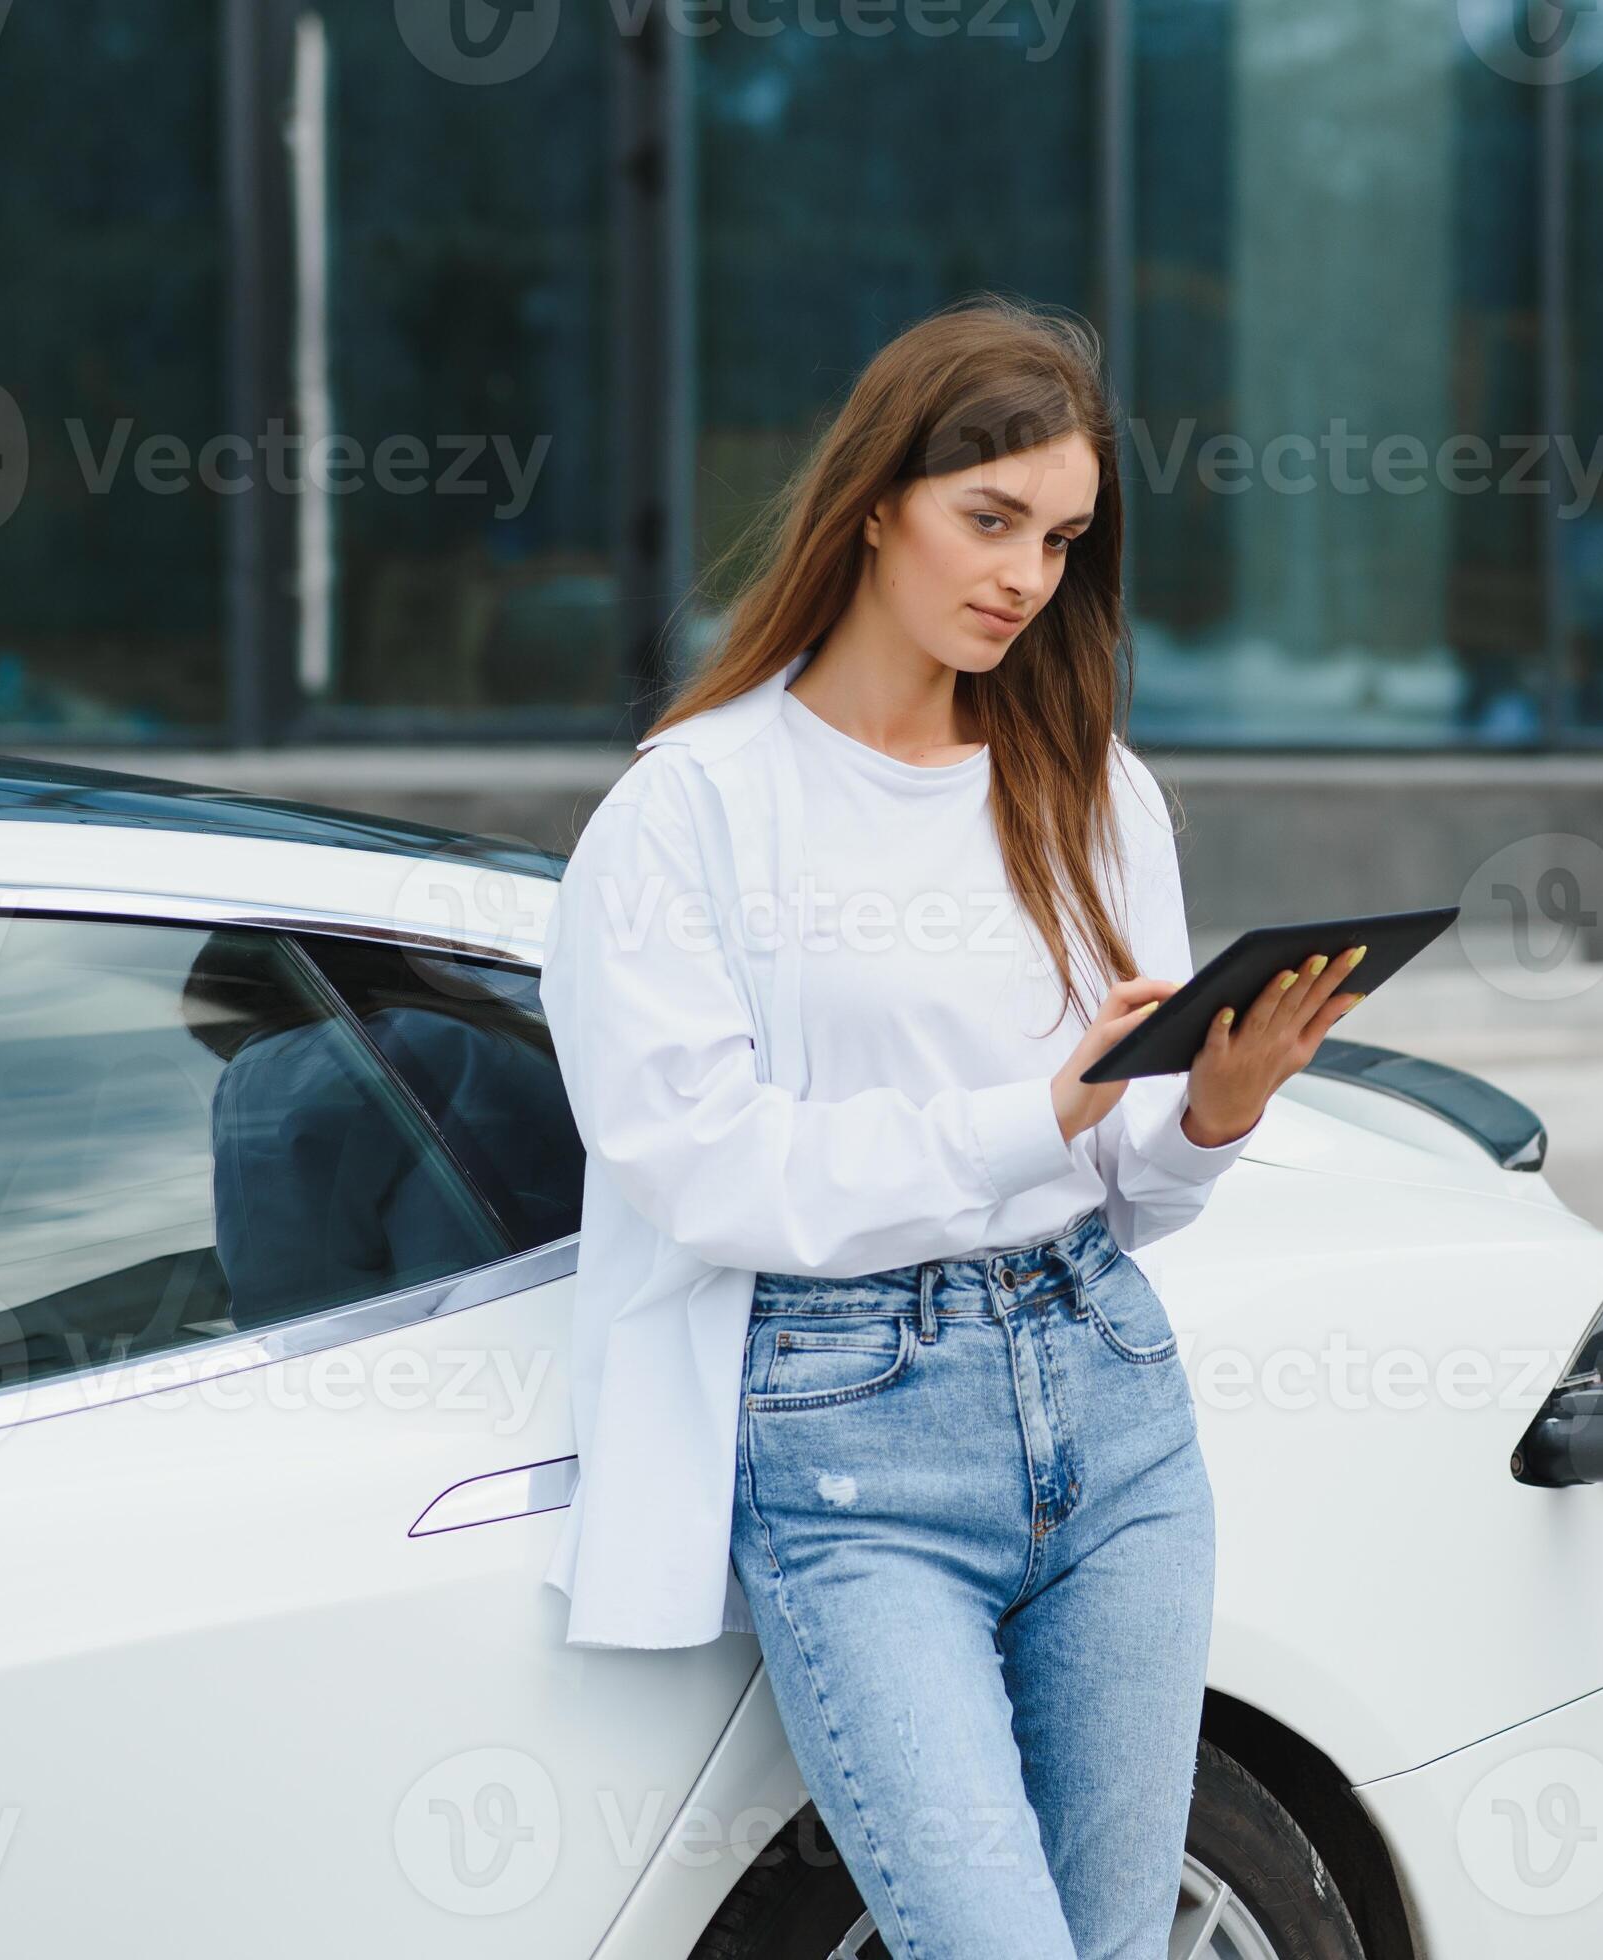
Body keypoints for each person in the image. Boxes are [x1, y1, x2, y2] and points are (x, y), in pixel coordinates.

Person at [538, 294, 1367, 1960]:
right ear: (870, 504)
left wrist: (1207, 1113)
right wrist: (1029, 1115)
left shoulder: (1090, 786)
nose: (1026, 576)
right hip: (852, 1446)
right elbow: (706, 1170)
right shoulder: (692, 808)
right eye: (990, 520)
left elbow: (1125, 1186)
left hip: (1112, 1400)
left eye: (1061, 540)